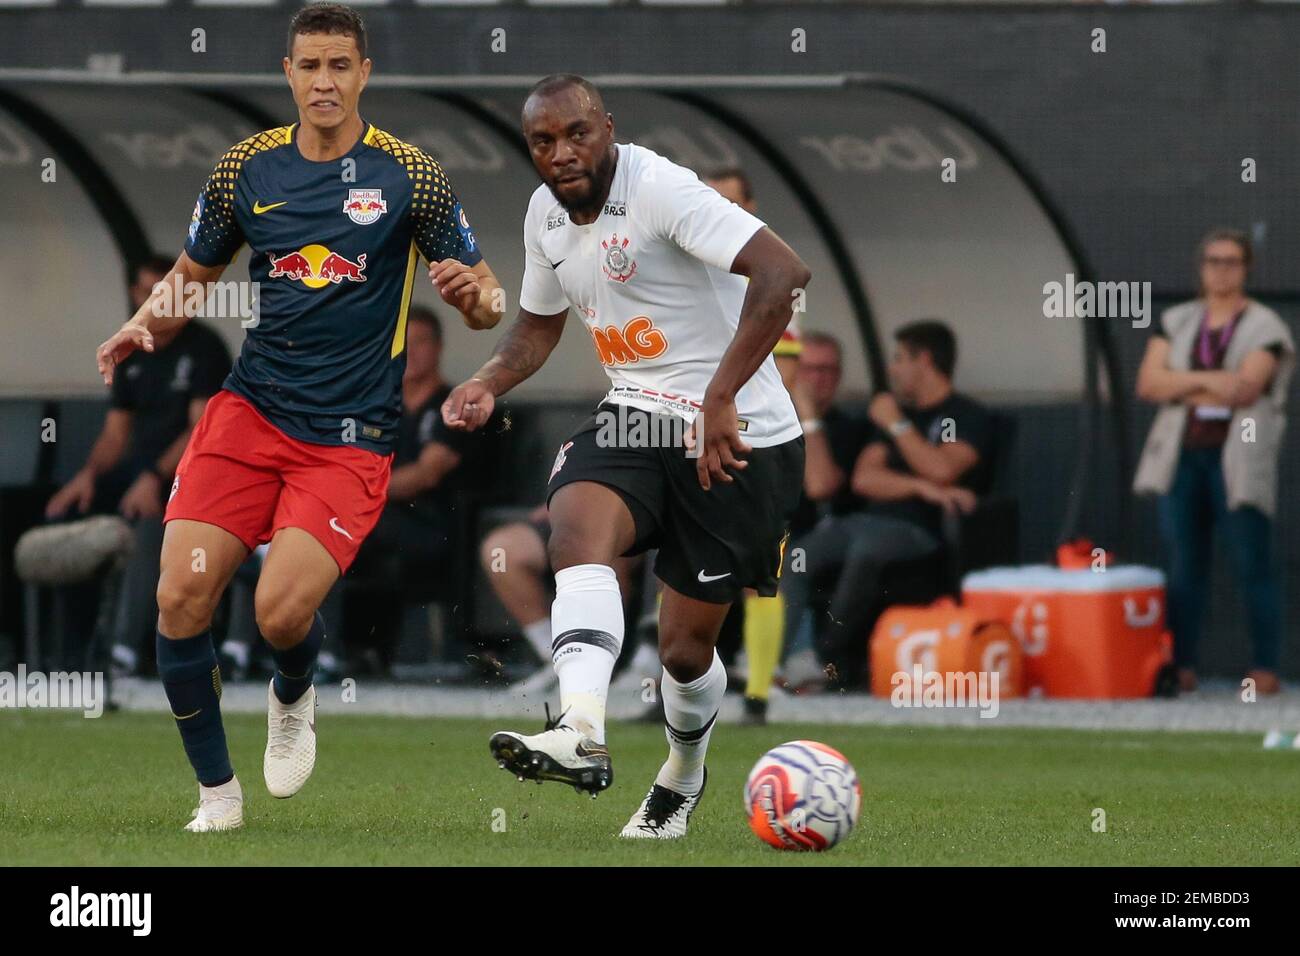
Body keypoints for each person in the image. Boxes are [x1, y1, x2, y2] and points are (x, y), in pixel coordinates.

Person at [94, 3, 501, 832]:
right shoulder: (246, 168)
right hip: (248, 416)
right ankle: (217, 795)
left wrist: (478, 300)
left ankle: (292, 691)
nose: (324, 82)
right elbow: (192, 275)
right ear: (288, 73)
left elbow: (489, 297)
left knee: (281, 613)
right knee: (181, 595)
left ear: (364, 74)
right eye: (309, 66)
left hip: (348, 436)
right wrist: (147, 322)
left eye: (339, 66)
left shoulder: (409, 174)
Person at [443, 74, 808, 839]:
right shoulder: (545, 214)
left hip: (741, 436)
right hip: (637, 417)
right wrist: (485, 381)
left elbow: (783, 275)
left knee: (683, 652)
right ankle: (580, 729)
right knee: (575, 526)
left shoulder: (661, 189)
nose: (562, 152)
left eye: (577, 133)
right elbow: (538, 329)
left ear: (607, 127)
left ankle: (682, 773)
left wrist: (718, 397)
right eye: (543, 141)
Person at [45, 255, 231, 673]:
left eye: (164, 292)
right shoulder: (130, 347)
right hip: (135, 472)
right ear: (135, 295)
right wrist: (88, 476)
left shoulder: (204, 347)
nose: (157, 302)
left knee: (151, 522)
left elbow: (200, 430)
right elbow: (115, 433)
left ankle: (126, 648)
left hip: (187, 476)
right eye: (148, 293)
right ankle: (72, 648)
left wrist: (152, 478)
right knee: (66, 515)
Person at [786, 320, 992, 686]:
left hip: (920, 530)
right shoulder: (896, 415)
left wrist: (898, 426)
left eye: (899, 359)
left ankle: (824, 656)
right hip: (863, 521)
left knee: (867, 549)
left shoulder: (966, 416)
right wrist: (920, 486)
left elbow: (943, 468)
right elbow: (866, 478)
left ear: (924, 360)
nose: (893, 370)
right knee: (800, 554)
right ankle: (778, 661)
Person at [1134, 228, 1294, 694]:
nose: (1221, 270)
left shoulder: (1265, 326)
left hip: (1237, 458)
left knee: (1252, 561)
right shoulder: (1180, 319)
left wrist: (1179, 382)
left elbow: (1245, 389)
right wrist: (1210, 382)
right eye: (1213, 261)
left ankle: (1265, 666)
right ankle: (1181, 663)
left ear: (1245, 269)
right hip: (1184, 456)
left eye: (1231, 262)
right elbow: (1147, 384)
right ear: (1200, 267)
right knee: (1186, 562)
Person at [702, 166, 811, 725]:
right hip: (691, 440)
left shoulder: (765, 282)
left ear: (751, 210)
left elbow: (787, 382)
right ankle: (681, 688)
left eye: (731, 203)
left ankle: (759, 694)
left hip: (754, 443)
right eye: (709, 201)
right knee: (681, 567)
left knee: (758, 577)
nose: (719, 211)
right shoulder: (691, 271)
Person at [776, 331, 872, 695]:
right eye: (811, 370)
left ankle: (785, 662)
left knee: (789, 557)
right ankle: (650, 654)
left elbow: (819, 486)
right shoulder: (762, 419)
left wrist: (808, 416)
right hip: (757, 529)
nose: (820, 379)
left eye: (830, 371)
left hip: (817, 534)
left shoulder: (847, 427)